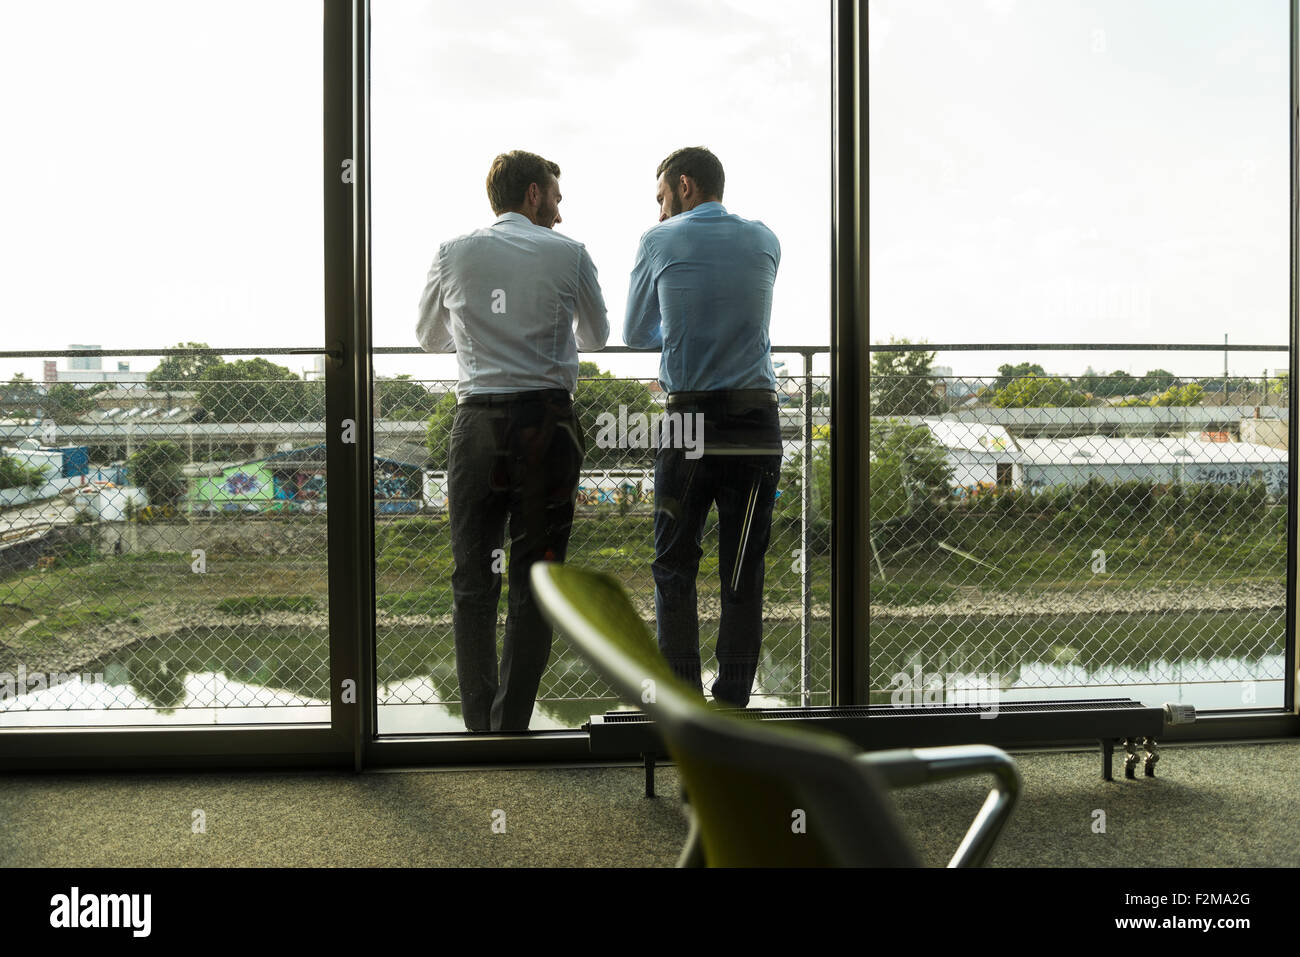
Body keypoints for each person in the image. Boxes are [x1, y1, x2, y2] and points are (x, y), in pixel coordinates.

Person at [417, 150, 609, 731]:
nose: (559, 205)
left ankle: (478, 727)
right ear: (532, 194)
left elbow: (428, 338)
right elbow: (598, 336)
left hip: (477, 423)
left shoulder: (453, 252)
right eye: (554, 193)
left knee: (473, 577)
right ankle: (511, 728)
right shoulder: (569, 252)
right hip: (546, 426)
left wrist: (481, 337)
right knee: (536, 579)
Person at [623, 146, 782, 708]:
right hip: (757, 417)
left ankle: (683, 698)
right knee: (744, 561)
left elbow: (637, 334)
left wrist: (681, 322)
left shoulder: (657, 239)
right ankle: (734, 697)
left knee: (674, 562)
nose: (661, 209)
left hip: (689, 417)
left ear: (684, 185)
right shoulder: (765, 238)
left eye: (663, 196)